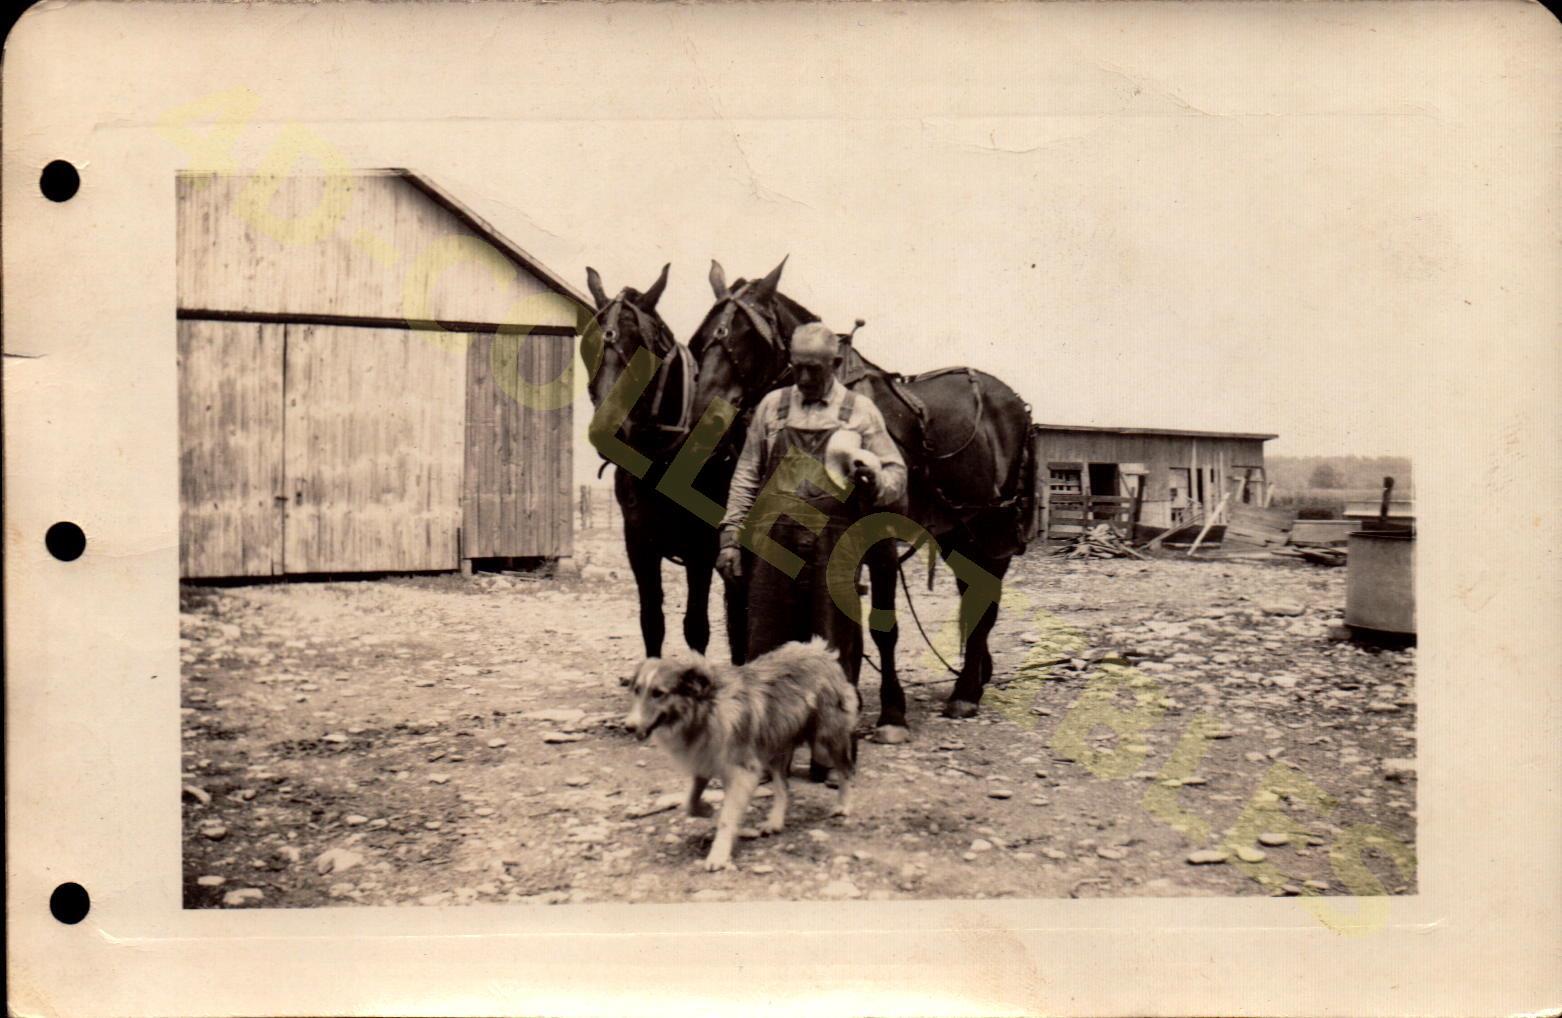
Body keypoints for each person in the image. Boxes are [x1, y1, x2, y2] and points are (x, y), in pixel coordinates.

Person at [716, 322, 907, 693]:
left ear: (835, 363)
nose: (803, 378)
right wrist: (730, 538)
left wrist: (877, 481)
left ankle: (831, 744)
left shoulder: (860, 411)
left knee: (833, 653)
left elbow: (896, 472)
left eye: (814, 369)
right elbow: (747, 474)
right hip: (773, 544)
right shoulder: (773, 407)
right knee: (766, 652)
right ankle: (772, 743)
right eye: (797, 367)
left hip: (834, 548)